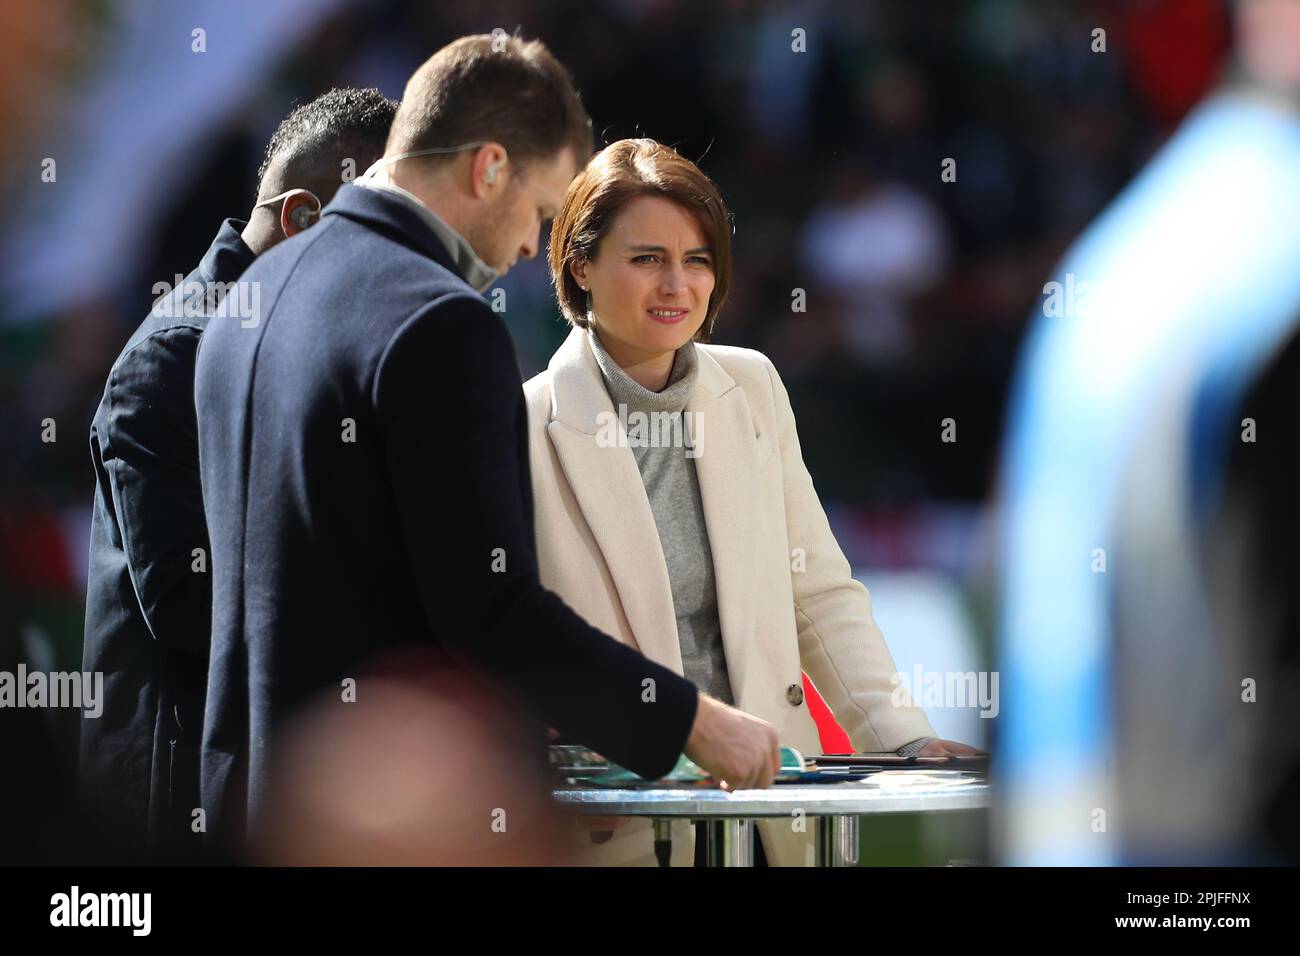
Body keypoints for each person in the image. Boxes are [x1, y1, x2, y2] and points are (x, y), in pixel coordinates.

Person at [194, 36, 780, 854]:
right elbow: (489, 611)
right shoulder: (442, 323)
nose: (535, 247)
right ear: (489, 168)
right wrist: (690, 720)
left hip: (252, 805)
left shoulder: (253, 291)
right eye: (542, 211)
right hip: (388, 822)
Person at [525, 138, 982, 866]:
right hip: (614, 830)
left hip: (775, 817)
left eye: (697, 260)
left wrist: (901, 736)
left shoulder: (756, 385)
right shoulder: (522, 425)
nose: (677, 284)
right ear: (580, 266)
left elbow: (819, 594)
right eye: (647, 258)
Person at [80, 87, 398, 860]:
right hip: (178, 808)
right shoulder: (171, 359)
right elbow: (191, 607)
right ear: (301, 219)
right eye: (388, 239)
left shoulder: (311, 346)